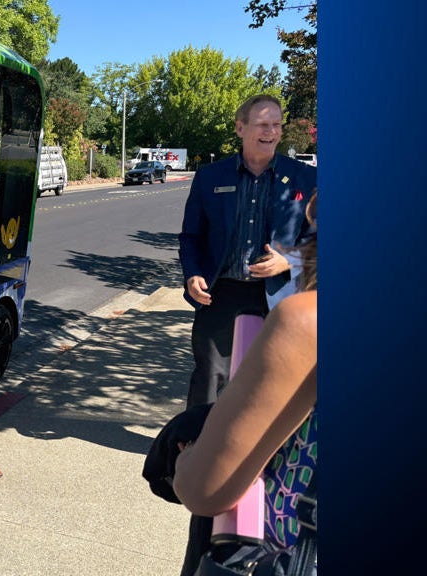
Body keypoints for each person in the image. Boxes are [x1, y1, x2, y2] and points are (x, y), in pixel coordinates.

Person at [176, 94, 315, 575]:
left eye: (277, 124)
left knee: (273, 394)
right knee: (212, 383)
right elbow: (190, 237)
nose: (271, 131)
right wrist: (192, 275)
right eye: (261, 123)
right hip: (223, 297)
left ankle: (261, 459)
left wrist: (288, 261)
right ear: (240, 127)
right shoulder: (211, 177)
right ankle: (202, 454)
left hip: (278, 296)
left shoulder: (304, 180)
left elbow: (318, 241)